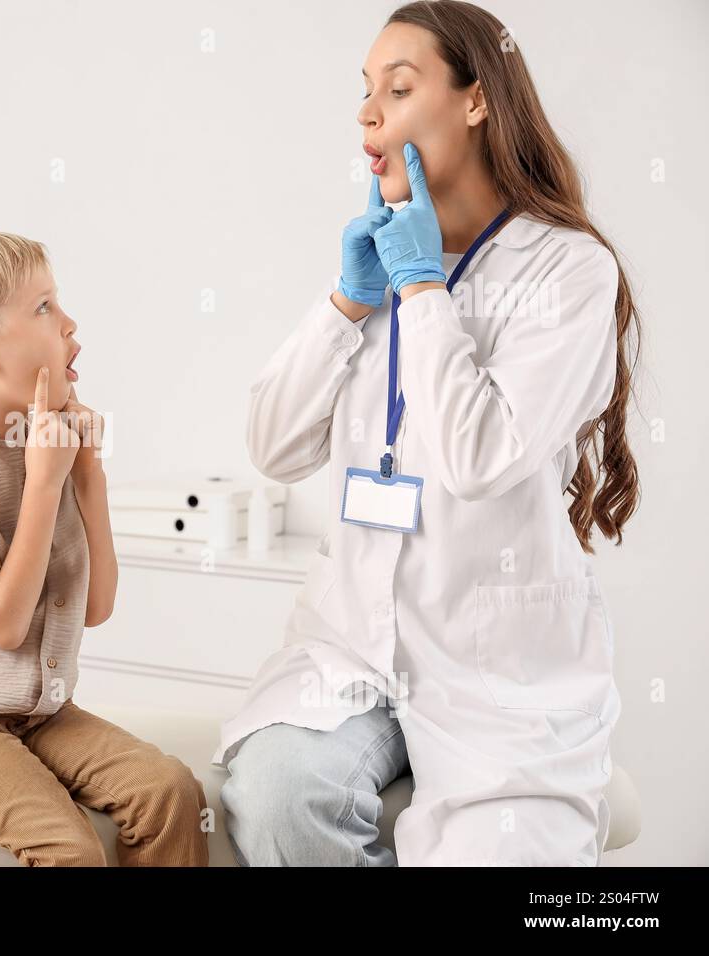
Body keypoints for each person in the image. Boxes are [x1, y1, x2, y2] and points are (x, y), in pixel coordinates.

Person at [216, 0, 642, 866]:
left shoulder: (566, 270)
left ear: (476, 101)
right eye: (364, 93)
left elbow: (481, 456)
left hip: (499, 668)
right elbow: (272, 442)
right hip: (353, 652)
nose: (368, 112)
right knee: (278, 794)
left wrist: (423, 291)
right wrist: (348, 300)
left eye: (399, 88)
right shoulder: (380, 258)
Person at [0, 231, 209, 866]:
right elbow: (2, 624)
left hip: (37, 712)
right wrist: (47, 481)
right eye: (44, 307)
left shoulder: (44, 445)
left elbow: (97, 607)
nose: (71, 322)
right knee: (68, 850)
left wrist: (87, 477)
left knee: (170, 793)